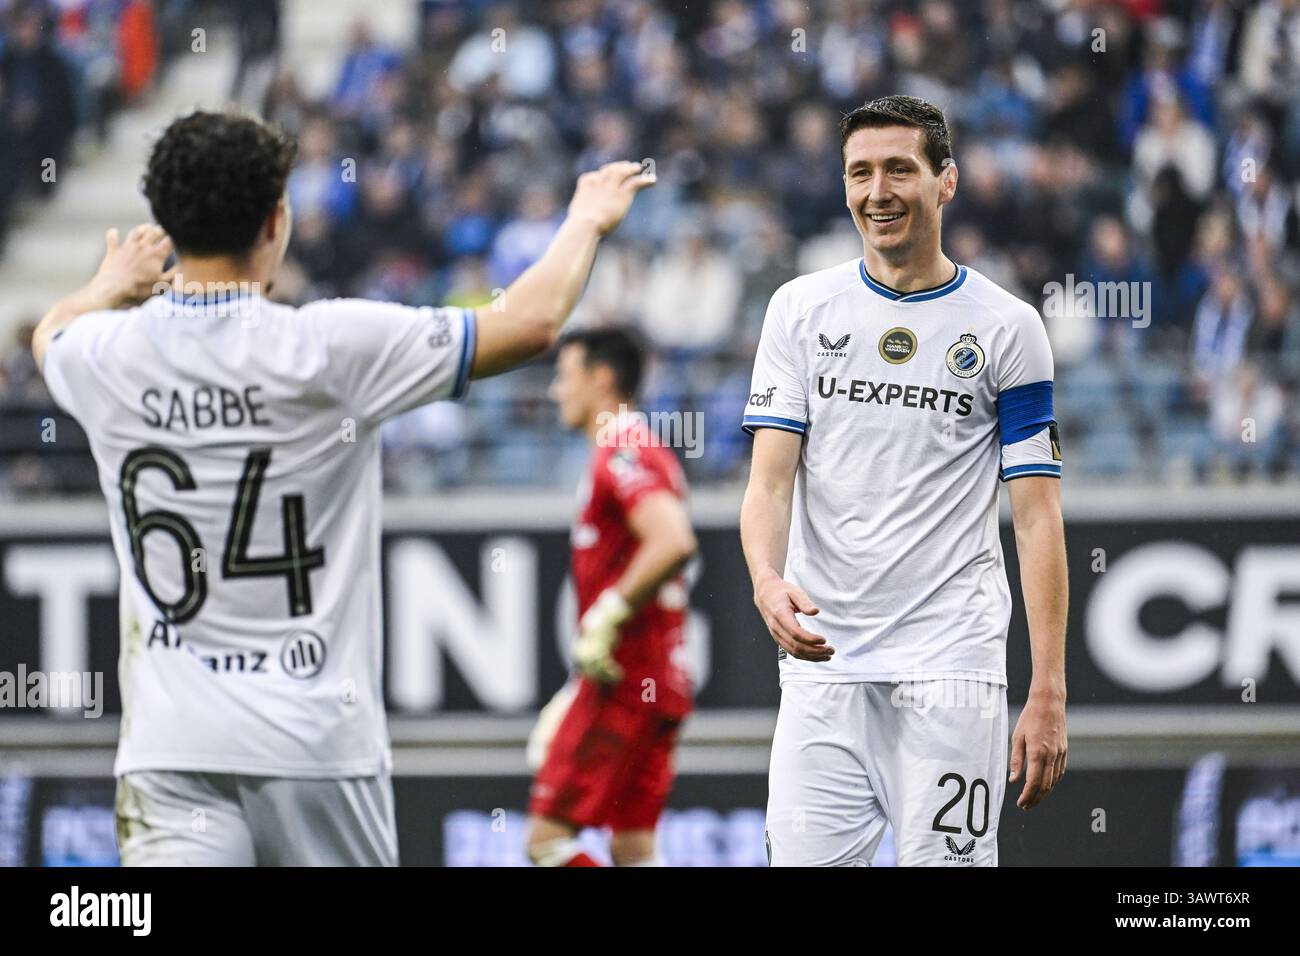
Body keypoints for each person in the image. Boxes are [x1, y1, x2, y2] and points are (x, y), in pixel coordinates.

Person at [31, 109, 654, 866]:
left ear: (165, 220)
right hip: (316, 745)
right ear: (275, 220)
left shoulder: (105, 352)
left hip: (169, 750)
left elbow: (49, 333)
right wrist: (586, 218)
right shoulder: (330, 344)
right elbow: (527, 323)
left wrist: (105, 286)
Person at [739, 95, 1068, 867]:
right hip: (825, 669)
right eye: (860, 172)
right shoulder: (798, 309)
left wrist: (1047, 686)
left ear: (946, 182)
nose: (876, 191)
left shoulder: (1008, 327)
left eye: (899, 169)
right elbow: (769, 484)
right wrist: (763, 577)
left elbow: (1037, 519)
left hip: (953, 669)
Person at [525, 328, 697, 867]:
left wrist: (607, 616)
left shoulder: (622, 450)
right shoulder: (639, 448)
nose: (556, 391)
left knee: (547, 844)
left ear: (601, 380)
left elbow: (672, 540)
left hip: (623, 681)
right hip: (658, 680)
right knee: (633, 847)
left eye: (564, 377)